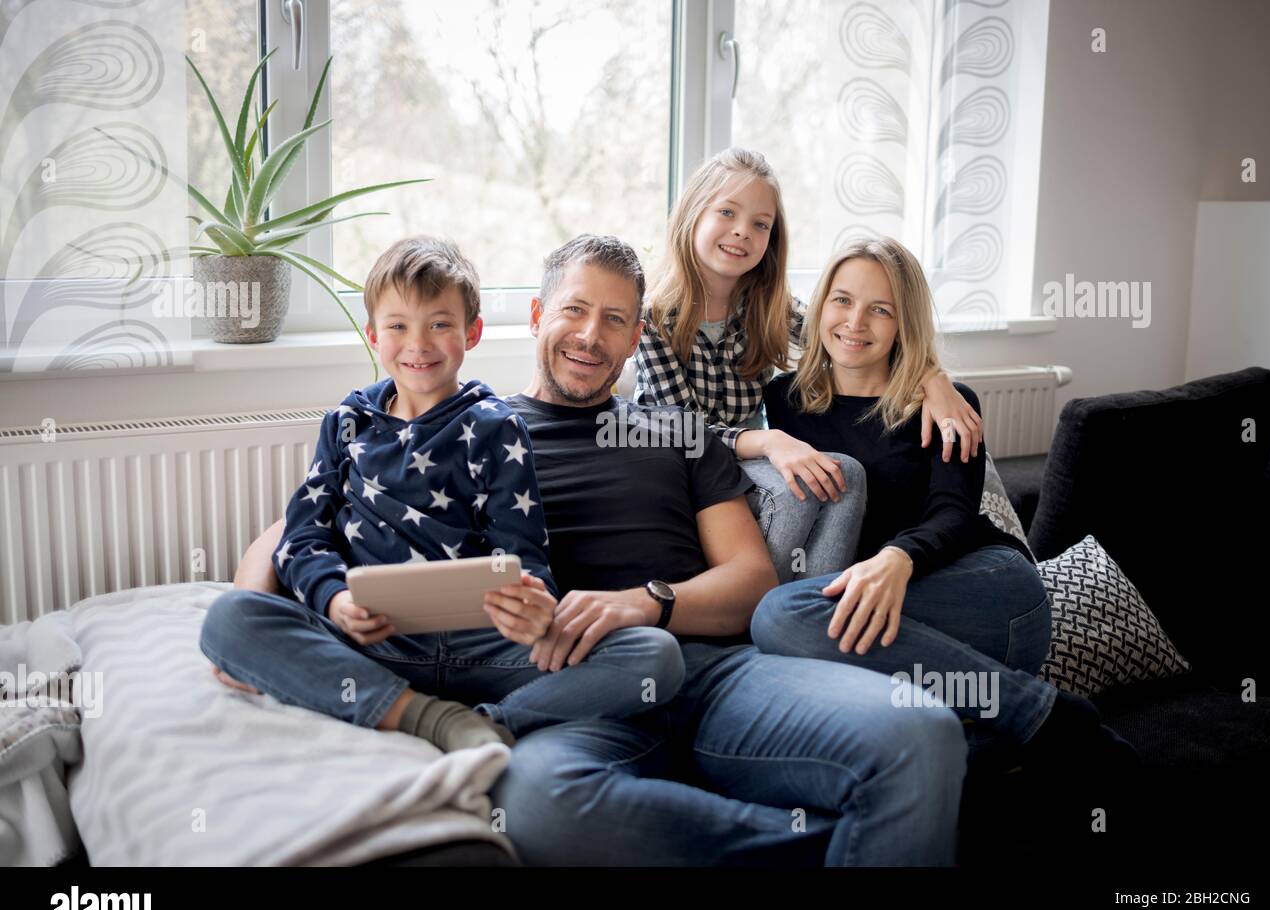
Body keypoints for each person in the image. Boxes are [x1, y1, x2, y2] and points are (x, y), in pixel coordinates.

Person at [219, 234, 969, 866]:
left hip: (709, 672)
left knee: (920, 734)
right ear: (539, 315)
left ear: (637, 333)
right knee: (545, 809)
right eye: (574, 310)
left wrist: (646, 603)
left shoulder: (676, 431)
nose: (590, 335)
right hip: (563, 694)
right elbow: (297, 527)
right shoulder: (469, 428)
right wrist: (250, 615)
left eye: (615, 319)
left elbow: (751, 581)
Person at [199, 236, 684, 754]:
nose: (419, 345)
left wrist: (531, 605)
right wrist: (336, 600)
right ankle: (424, 717)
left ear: (471, 332)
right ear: (373, 335)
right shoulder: (346, 425)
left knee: (654, 656)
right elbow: (301, 538)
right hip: (371, 642)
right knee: (232, 621)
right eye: (398, 326)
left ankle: (488, 721)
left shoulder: (497, 427)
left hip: (486, 646)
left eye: (439, 324)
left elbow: (523, 555)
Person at [749, 237, 1137, 770]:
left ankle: (1039, 718)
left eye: (880, 309)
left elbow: (953, 514)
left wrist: (897, 557)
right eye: (842, 300)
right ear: (819, 307)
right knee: (805, 633)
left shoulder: (946, 405)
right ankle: (1011, 729)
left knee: (781, 616)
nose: (855, 322)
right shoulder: (783, 402)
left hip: (987, 590)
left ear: (903, 322)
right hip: (888, 616)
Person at [633, 146, 984, 581]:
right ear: (692, 215)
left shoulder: (767, 307)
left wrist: (935, 379)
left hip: (746, 473)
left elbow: (847, 335)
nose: (742, 231)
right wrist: (768, 441)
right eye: (726, 212)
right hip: (679, 469)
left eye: (760, 224)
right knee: (824, 479)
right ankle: (764, 604)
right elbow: (681, 430)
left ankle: (808, 606)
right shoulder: (652, 318)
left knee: (836, 477)